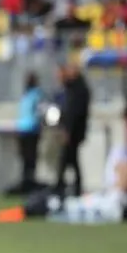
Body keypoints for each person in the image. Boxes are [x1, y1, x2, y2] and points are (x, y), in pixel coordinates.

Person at [55, 62, 91, 197]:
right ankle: (70, 186)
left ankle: (62, 186)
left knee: (67, 159)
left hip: (74, 132)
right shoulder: (71, 89)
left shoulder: (79, 90)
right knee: (71, 160)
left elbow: (74, 113)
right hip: (72, 130)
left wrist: (68, 130)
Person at [10, 72, 43, 196]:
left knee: (29, 159)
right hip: (25, 129)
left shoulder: (34, 95)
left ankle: (29, 183)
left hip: (30, 130)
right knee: (26, 158)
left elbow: (38, 112)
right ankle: (26, 183)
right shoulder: (29, 95)